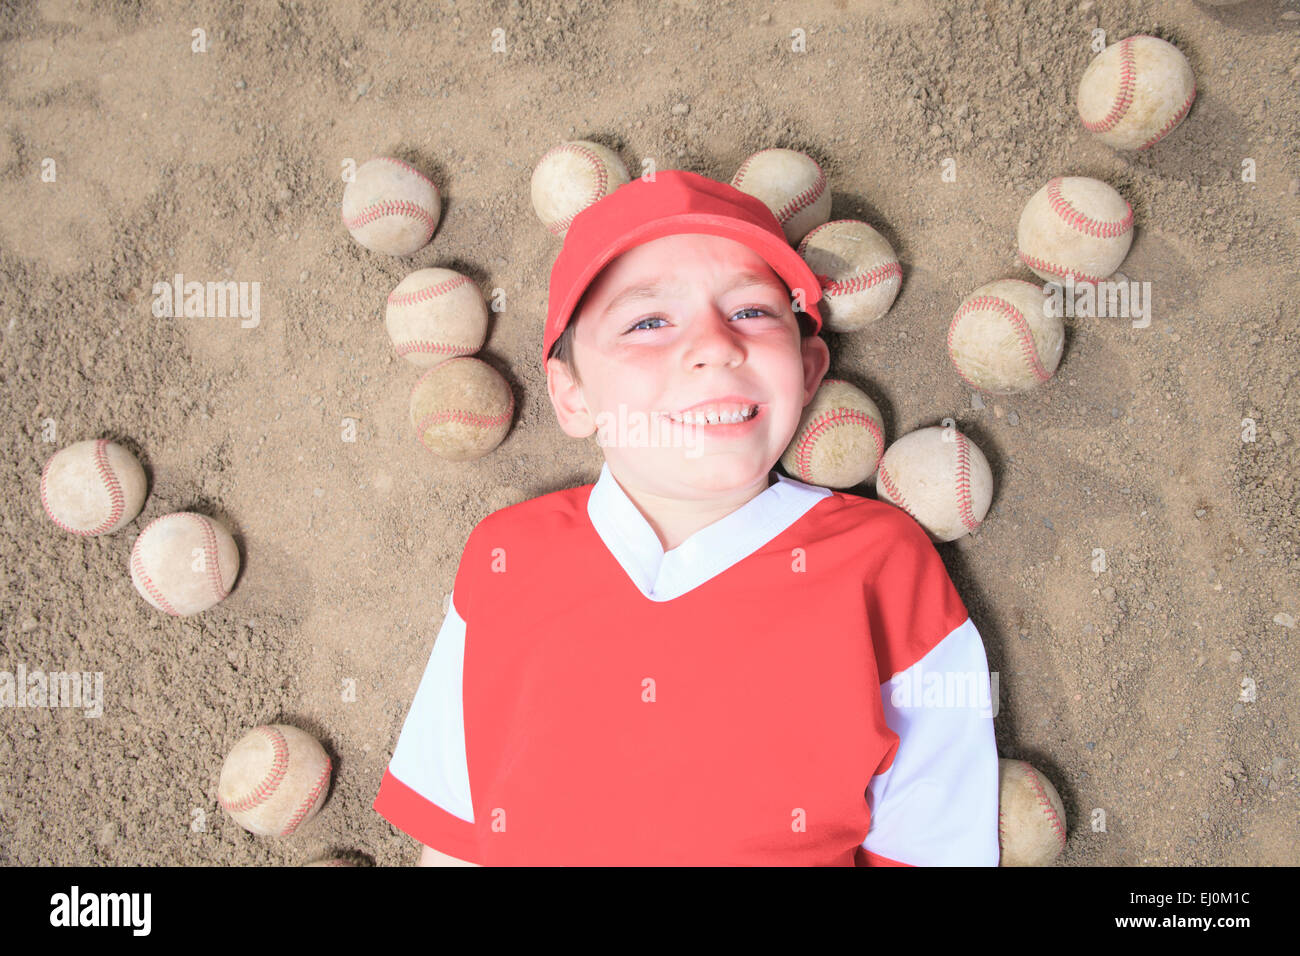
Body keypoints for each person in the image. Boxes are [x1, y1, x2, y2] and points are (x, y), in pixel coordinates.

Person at [373, 169, 999, 865]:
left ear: (810, 367)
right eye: (648, 322)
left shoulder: (882, 561)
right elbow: (457, 842)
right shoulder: (504, 556)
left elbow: (935, 845)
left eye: (754, 313)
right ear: (572, 396)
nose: (715, 345)